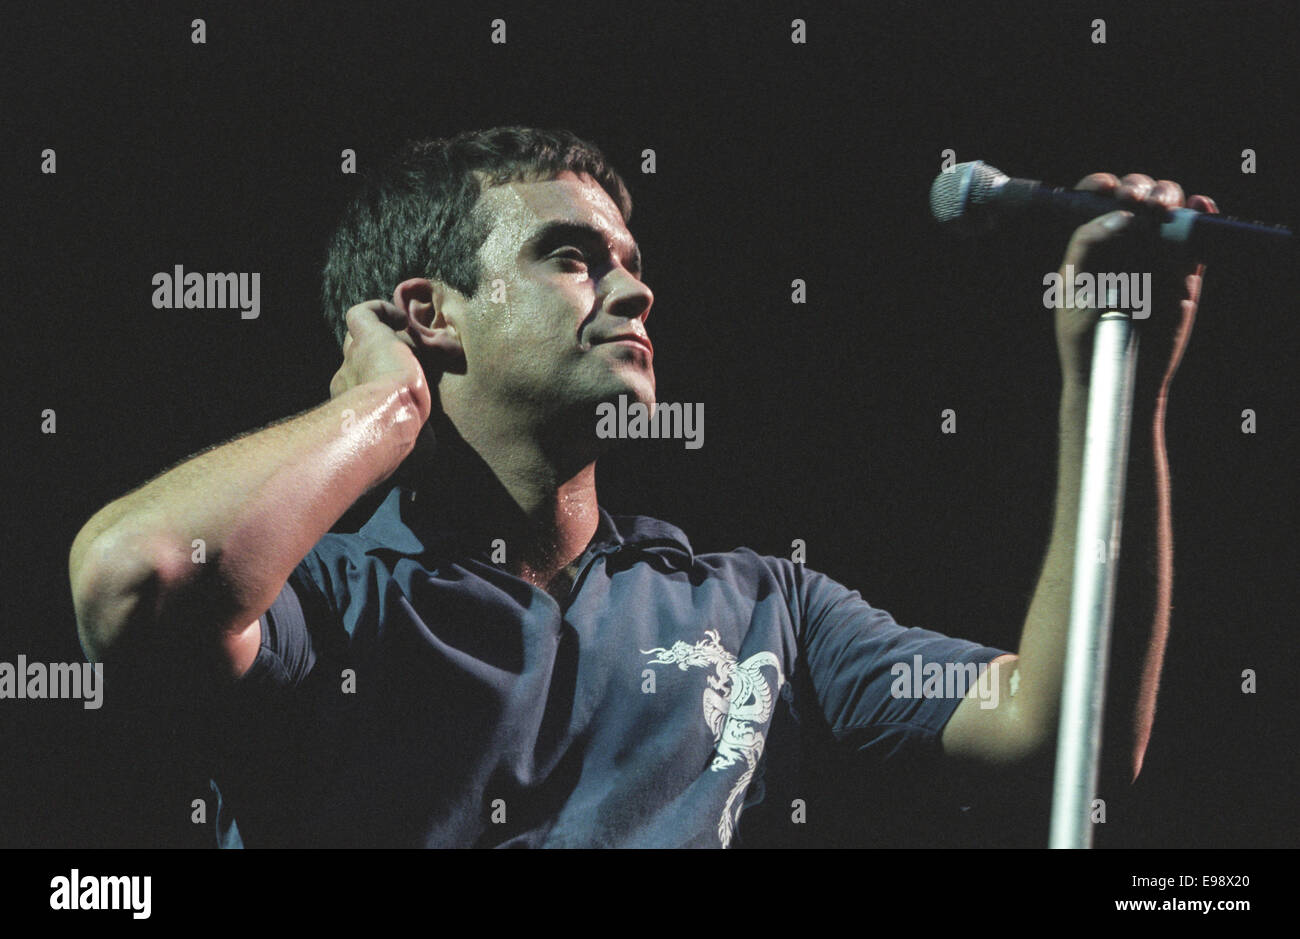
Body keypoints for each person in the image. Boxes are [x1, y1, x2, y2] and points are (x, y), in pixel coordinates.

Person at [67, 126, 1215, 847]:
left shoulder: (766, 606)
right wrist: (386, 402)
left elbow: (1066, 738)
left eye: (629, 260)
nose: (633, 290)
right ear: (429, 314)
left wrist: (1114, 382)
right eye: (572, 257)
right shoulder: (329, 603)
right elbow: (145, 574)